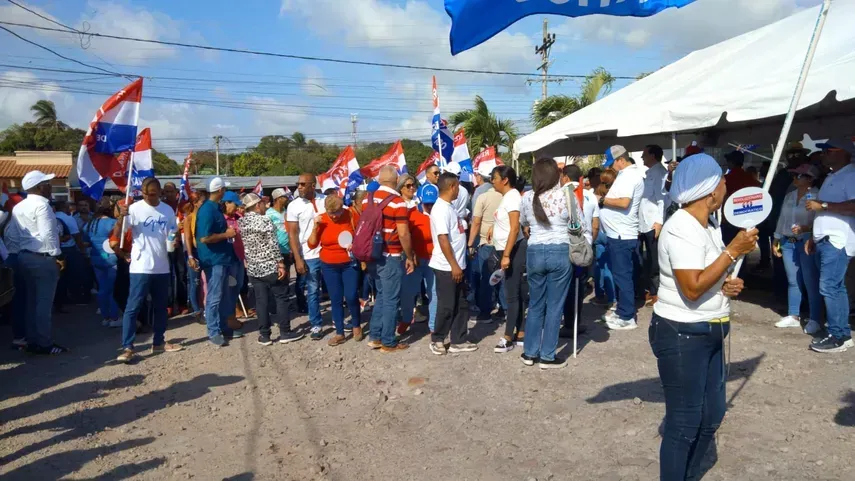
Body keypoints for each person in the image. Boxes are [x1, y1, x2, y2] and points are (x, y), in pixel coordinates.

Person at [652, 153, 758, 481]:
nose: (727, 185)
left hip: (710, 330)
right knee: (684, 423)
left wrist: (726, 282)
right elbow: (692, 288)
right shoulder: (681, 227)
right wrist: (733, 251)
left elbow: (705, 276)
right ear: (711, 190)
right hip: (682, 333)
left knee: (712, 415)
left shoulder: (708, 225)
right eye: (723, 180)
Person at [113, 177, 184, 363]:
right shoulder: (134, 209)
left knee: (161, 307)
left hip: (161, 266)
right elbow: (118, 233)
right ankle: (127, 347)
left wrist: (174, 240)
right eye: (145, 194)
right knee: (133, 307)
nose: (149, 197)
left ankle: (159, 342)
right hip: (140, 266)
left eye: (152, 194)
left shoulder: (167, 210)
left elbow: (172, 232)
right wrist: (121, 216)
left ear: (159, 192)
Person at [520, 159, 577, 368]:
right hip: (560, 250)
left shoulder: (526, 197)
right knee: (555, 306)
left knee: (535, 304)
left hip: (535, 250)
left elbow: (524, 223)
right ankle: (547, 355)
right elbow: (577, 224)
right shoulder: (566, 195)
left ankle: (529, 353)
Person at [6, 171, 67, 354]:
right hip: (43, 257)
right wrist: (58, 256)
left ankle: (32, 341)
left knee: (31, 302)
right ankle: (45, 343)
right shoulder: (42, 206)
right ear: (40, 187)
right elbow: (49, 234)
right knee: (44, 303)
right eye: (47, 183)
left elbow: (13, 236)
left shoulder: (18, 207)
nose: (49, 186)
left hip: (24, 256)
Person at [805, 138, 855, 353]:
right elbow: (822, 211)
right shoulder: (833, 176)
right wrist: (812, 236)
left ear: (842, 152)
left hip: (837, 240)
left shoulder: (851, 175)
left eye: (827, 151)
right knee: (833, 287)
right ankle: (839, 331)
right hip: (825, 240)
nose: (823, 155)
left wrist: (823, 205)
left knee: (830, 287)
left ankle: (840, 335)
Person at [363, 165, 415, 353]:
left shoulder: (367, 200)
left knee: (382, 296)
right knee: (391, 299)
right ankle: (388, 341)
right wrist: (409, 256)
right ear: (395, 182)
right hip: (391, 256)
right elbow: (403, 234)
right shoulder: (397, 202)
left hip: (372, 255)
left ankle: (375, 336)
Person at [238, 193, 302, 346]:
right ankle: (285, 332)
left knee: (261, 301)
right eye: (262, 203)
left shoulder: (242, 221)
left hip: (254, 267)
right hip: (270, 265)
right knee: (281, 297)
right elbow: (273, 245)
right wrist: (281, 264)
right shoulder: (265, 220)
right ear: (257, 205)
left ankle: (264, 335)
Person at [428, 171, 477, 355]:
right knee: (447, 305)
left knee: (461, 303)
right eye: (458, 186)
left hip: (458, 264)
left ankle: (458, 339)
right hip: (446, 266)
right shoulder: (440, 209)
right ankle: (438, 339)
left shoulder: (450, 208)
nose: (460, 190)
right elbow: (442, 239)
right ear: (452, 187)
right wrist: (454, 265)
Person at [772, 164, 822, 333]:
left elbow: (821, 221)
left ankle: (815, 318)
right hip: (788, 241)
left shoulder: (817, 197)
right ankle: (793, 315)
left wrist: (806, 229)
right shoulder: (790, 195)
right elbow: (782, 218)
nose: (794, 178)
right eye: (794, 175)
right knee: (793, 280)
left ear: (809, 178)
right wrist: (777, 238)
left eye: (798, 176)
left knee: (810, 281)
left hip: (806, 241)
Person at [599, 145, 644, 330]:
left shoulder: (629, 176)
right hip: (619, 233)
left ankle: (627, 316)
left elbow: (624, 202)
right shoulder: (627, 175)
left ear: (620, 159)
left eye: (612, 163)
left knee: (623, 276)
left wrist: (602, 201)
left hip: (621, 234)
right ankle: (622, 311)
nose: (611, 167)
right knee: (621, 275)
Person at [307, 195, 362, 346]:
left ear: (342, 208)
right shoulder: (322, 220)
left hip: (349, 263)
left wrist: (355, 245)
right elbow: (312, 245)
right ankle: (339, 332)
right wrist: (315, 227)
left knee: (351, 296)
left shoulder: (351, 215)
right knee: (335, 298)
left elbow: (361, 236)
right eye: (331, 213)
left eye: (337, 212)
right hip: (329, 265)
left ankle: (356, 325)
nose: (334, 216)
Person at [196, 177, 239, 347]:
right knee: (214, 297)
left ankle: (223, 327)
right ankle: (213, 331)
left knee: (222, 296)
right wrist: (226, 235)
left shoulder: (213, 207)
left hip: (221, 258)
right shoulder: (207, 210)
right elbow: (205, 237)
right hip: (214, 260)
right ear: (220, 190)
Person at [559, 164, 599, 337]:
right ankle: (575, 321)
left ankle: (567, 322)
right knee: (578, 285)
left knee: (565, 285)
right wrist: (589, 243)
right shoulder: (590, 196)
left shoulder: (560, 195)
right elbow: (595, 225)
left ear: (566, 177)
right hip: (585, 245)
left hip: (566, 244)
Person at [490, 165, 526, 353]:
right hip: (509, 249)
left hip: (513, 251)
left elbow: (514, 228)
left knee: (512, 295)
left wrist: (506, 255)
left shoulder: (512, 197)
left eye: (494, 177)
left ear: (505, 180)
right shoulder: (507, 197)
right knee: (516, 293)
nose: (492, 181)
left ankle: (507, 337)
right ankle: (520, 332)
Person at [287, 174, 326, 340]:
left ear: (312, 185)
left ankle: (341, 322)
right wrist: (298, 259)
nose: (299, 187)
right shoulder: (294, 206)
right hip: (309, 255)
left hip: (329, 252)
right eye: (298, 184)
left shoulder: (326, 200)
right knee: (312, 290)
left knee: (337, 289)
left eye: (303, 184)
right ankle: (316, 324)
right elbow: (293, 234)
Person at [398, 174, 435, 334]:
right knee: (408, 292)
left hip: (434, 259)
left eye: (432, 203)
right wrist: (410, 255)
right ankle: (406, 319)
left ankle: (434, 326)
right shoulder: (411, 214)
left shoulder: (440, 212)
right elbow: (405, 236)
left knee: (434, 292)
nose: (430, 207)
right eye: (427, 204)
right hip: (415, 259)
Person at [468, 168, 505, 323]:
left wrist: (470, 243)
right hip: (504, 243)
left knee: (486, 279)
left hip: (486, 243)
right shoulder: (506, 196)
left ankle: (485, 313)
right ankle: (504, 309)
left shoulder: (482, 197)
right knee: (503, 277)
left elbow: (476, 222)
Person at [639, 145, 670, 306]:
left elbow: (662, 200)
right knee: (646, 259)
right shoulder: (649, 173)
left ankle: (656, 292)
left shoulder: (659, 173)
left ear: (652, 155)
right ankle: (649, 290)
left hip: (653, 223)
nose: (642, 157)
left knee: (654, 260)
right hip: (643, 223)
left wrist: (659, 221)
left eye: (644, 154)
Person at [85, 198, 120, 327]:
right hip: (111, 258)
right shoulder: (113, 223)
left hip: (96, 257)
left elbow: (85, 240)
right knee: (111, 290)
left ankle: (105, 317)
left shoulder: (90, 224)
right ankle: (115, 318)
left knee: (102, 288)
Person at [722, 150, 760, 244]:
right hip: (746, 218)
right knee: (743, 249)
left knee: (728, 247)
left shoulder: (726, 179)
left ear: (731, 162)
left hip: (729, 218)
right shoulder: (750, 178)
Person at [54, 200, 87, 308]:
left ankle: (60, 298)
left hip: (56, 250)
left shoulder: (52, 217)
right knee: (75, 274)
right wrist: (82, 249)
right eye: (68, 207)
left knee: (60, 276)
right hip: (69, 249)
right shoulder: (69, 218)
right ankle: (74, 296)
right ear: (64, 207)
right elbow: (76, 235)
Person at [223, 191, 246, 328]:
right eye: (234, 205)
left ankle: (232, 316)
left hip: (239, 257)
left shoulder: (239, 217)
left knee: (238, 286)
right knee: (228, 288)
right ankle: (228, 318)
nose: (236, 208)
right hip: (228, 258)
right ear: (226, 203)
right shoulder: (221, 218)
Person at [184, 192, 205, 319]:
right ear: (195, 203)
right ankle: (196, 309)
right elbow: (187, 239)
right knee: (195, 282)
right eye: (202, 202)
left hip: (206, 252)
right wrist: (190, 256)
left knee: (206, 281)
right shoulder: (189, 218)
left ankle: (205, 306)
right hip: (195, 252)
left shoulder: (205, 217)